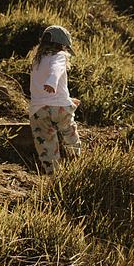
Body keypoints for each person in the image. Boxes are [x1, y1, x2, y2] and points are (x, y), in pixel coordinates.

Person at [29, 25, 82, 174]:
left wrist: (67, 98)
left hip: (39, 110)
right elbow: (56, 69)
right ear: (62, 45)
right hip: (60, 108)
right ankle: (76, 165)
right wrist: (52, 83)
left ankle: (53, 174)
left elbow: (40, 88)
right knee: (69, 134)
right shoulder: (59, 55)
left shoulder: (36, 60)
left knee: (46, 144)